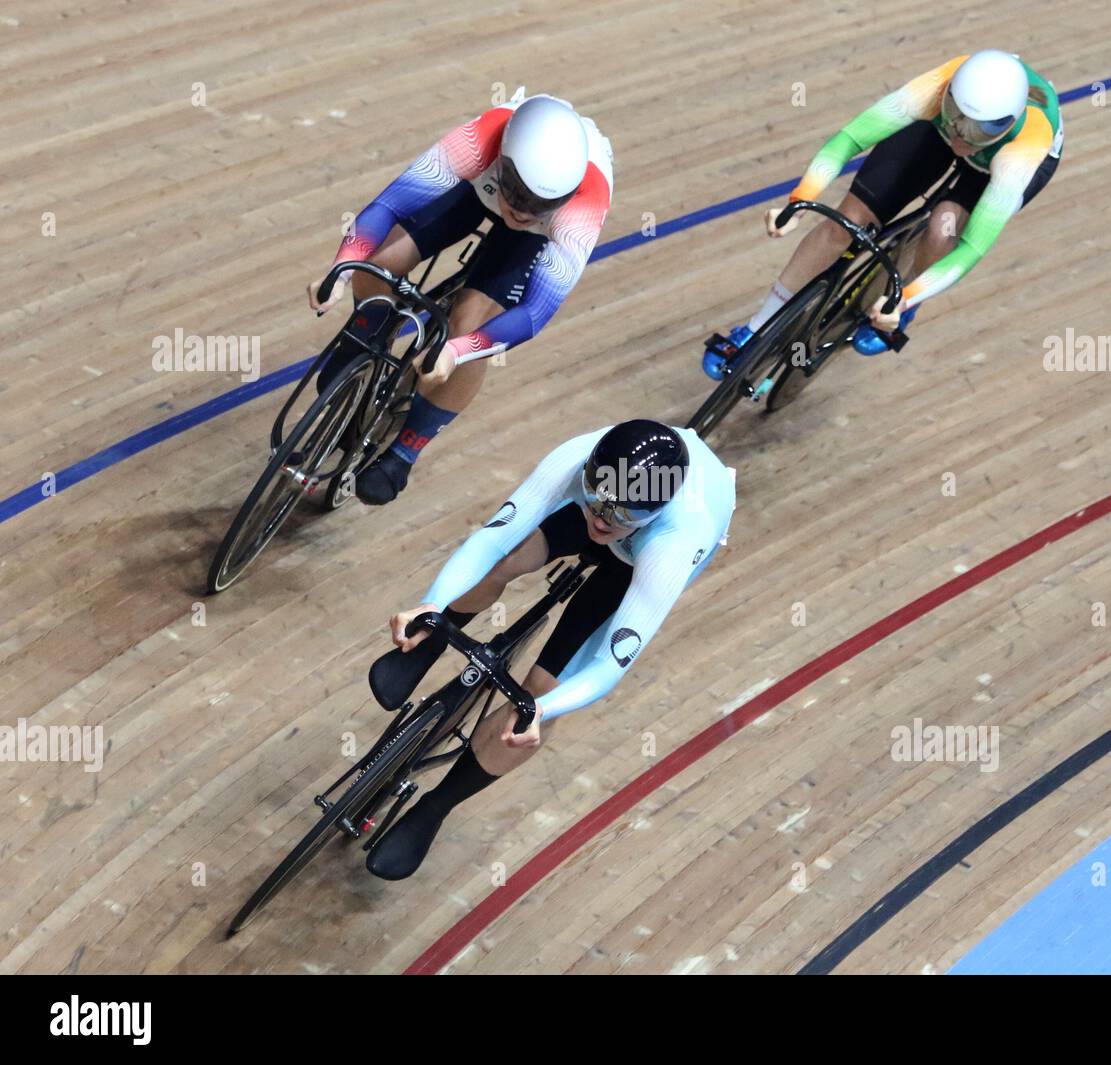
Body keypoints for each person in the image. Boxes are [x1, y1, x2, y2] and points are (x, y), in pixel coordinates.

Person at [364, 420, 735, 880]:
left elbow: (608, 668)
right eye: (598, 498)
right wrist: (433, 604)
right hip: (604, 516)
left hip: (638, 561)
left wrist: (544, 709)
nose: (602, 519)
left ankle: (435, 807)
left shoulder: (675, 542)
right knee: (502, 560)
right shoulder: (577, 457)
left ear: (652, 512)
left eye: (620, 515)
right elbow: (493, 536)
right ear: (593, 470)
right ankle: (433, 639)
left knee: (538, 699)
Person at [309, 90, 614, 505]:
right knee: (379, 263)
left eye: (542, 203)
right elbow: (388, 207)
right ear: (502, 158)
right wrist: (341, 268)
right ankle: (367, 336)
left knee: (470, 326)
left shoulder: (582, 210)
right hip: (477, 190)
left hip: (530, 241)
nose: (523, 211)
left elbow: (533, 314)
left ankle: (404, 451)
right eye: (519, 194)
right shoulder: (480, 140)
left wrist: (456, 350)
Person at [703, 50, 1063, 378]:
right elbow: (849, 140)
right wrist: (801, 199)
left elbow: (972, 248)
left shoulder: (1021, 152)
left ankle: (902, 309)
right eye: (956, 117)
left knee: (943, 229)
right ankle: (756, 327)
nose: (961, 134)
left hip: (995, 168)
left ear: (1006, 123)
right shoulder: (934, 92)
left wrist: (906, 296)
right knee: (845, 222)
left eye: (978, 128)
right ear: (948, 96)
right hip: (936, 130)